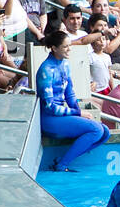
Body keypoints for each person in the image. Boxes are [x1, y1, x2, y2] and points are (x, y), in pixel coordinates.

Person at [36, 29, 110, 171]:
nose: (70, 49)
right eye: (65, 47)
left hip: (62, 115)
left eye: (70, 45)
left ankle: (62, 160)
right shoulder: (46, 70)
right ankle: (62, 164)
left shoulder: (64, 64)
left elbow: (69, 93)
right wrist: (78, 113)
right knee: (96, 130)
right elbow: (49, 107)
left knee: (105, 132)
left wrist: (77, 109)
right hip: (49, 119)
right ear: (54, 48)